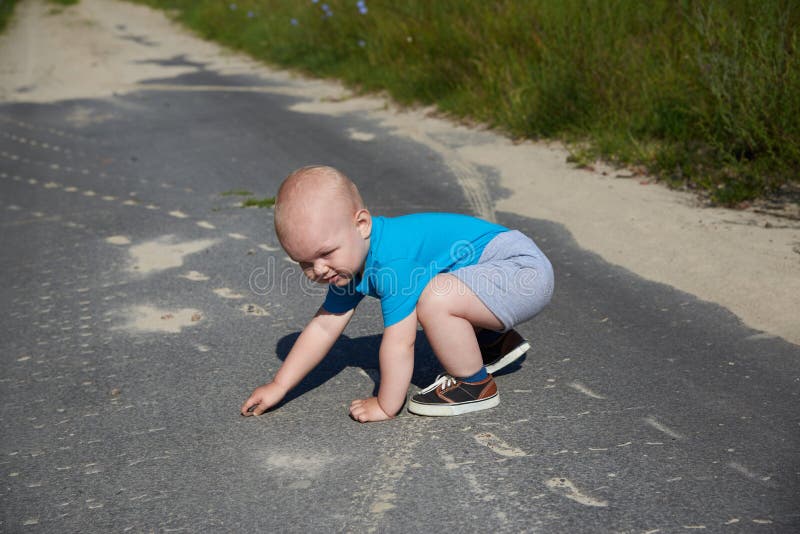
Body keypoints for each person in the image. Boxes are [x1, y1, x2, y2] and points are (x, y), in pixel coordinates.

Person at [240, 165, 554, 422]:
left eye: (325, 253)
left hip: (521, 271)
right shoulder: (348, 262)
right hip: (500, 273)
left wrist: (385, 404)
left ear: (361, 224)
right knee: (440, 288)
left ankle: (474, 384)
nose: (319, 269)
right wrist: (279, 385)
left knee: (433, 299)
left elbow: (400, 342)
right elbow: (324, 326)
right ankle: (492, 342)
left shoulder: (392, 263)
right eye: (305, 263)